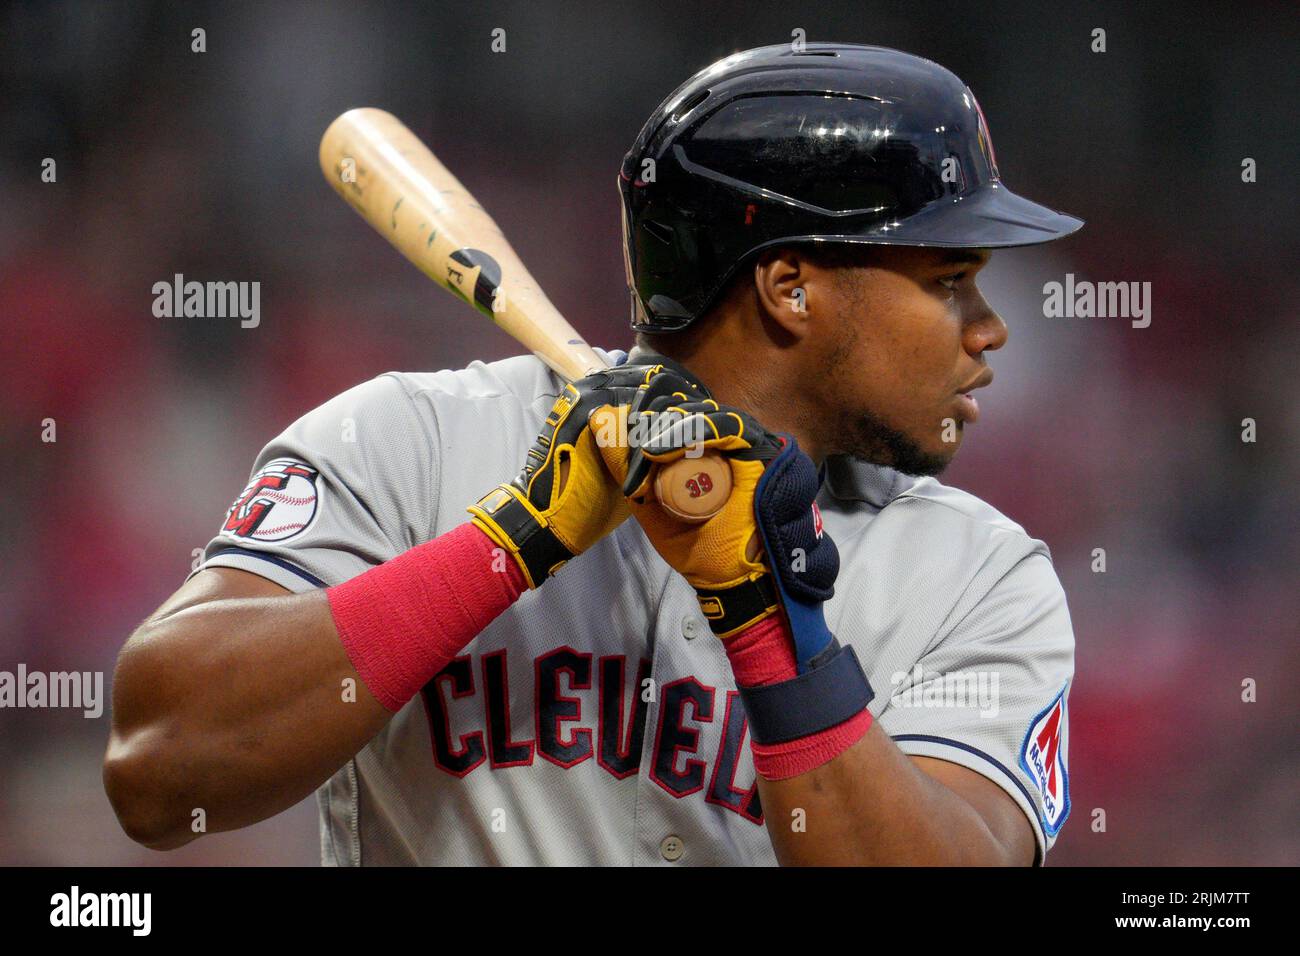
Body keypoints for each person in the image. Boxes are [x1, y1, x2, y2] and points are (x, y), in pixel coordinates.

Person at [105, 43, 1080, 865]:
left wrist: (769, 623)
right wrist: (511, 541)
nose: (988, 328)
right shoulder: (412, 440)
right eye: (949, 278)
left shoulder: (980, 575)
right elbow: (160, 765)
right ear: (790, 286)